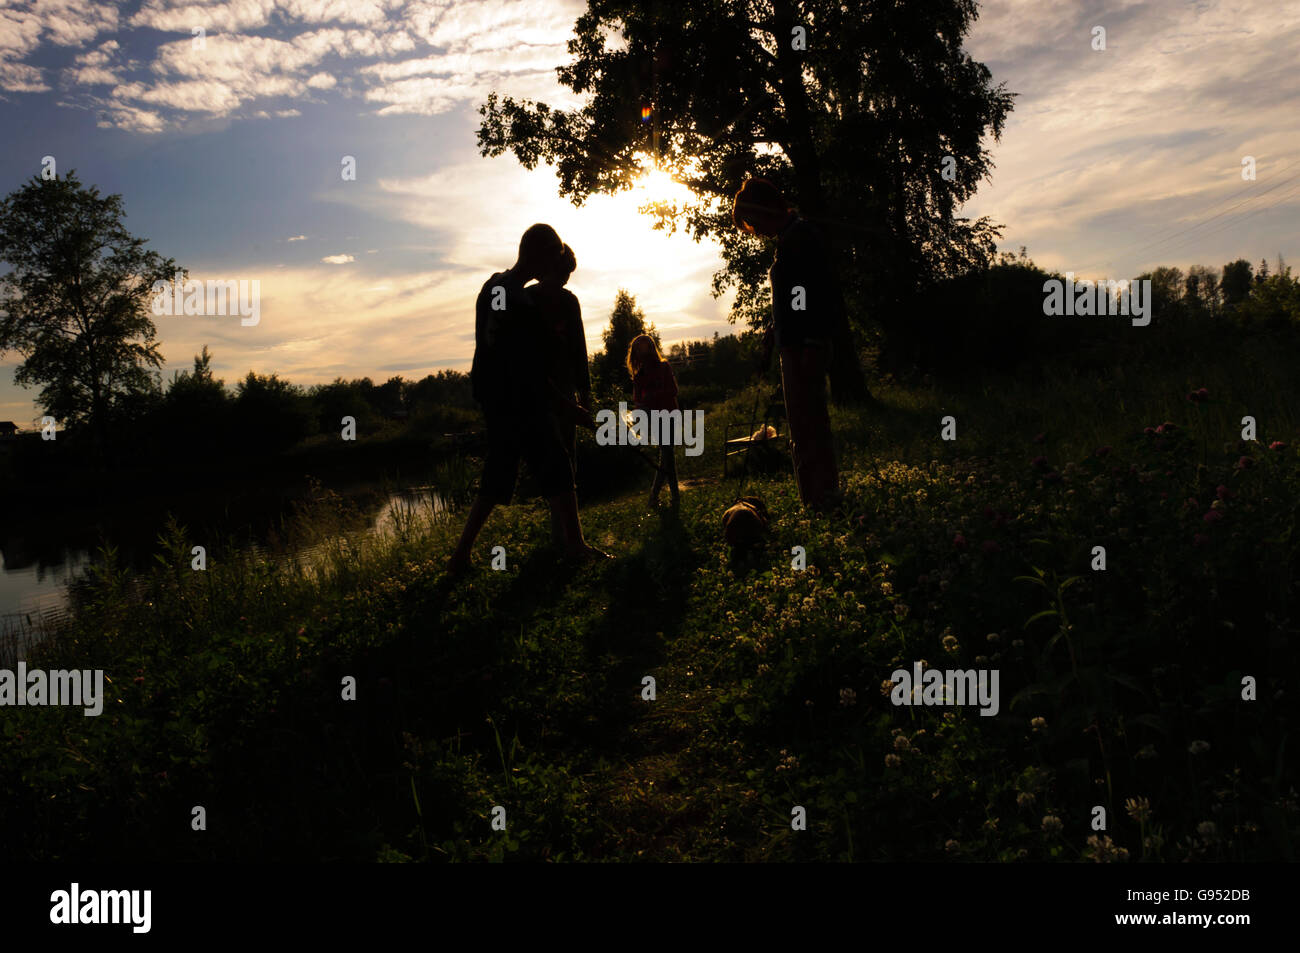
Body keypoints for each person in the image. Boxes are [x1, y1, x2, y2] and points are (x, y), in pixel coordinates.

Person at [447, 224, 607, 575]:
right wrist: (569, 409)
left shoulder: (495, 284)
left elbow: (502, 355)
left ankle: (461, 556)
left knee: (512, 469)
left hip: (499, 396)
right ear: (538, 255)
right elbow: (527, 370)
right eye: (552, 257)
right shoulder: (517, 301)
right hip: (514, 399)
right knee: (544, 463)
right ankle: (574, 545)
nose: (553, 266)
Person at [731, 178, 842, 510]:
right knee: (803, 425)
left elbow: (815, 293)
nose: (755, 231)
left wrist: (809, 341)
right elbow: (795, 299)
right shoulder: (789, 239)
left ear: (766, 209)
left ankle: (822, 501)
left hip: (805, 346)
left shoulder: (801, 238)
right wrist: (774, 325)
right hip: (794, 344)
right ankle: (816, 499)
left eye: (754, 222)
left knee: (809, 426)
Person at [531, 243, 591, 542]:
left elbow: (579, 348)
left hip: (562, 389)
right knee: (557, 460)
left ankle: (564, 532)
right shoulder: (528, 299)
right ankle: (563, 533)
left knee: (566, 458)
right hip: (542, 391)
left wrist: (585, 390)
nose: (566, 279)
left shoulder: (568, 301)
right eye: (563, 272)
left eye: (568, 273)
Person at [626, 333, 680, 509]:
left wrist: (652, 396)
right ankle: (671, 497)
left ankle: (657, 497)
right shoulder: (639, 376)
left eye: (646, 348)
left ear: (651, 349)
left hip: (670, 415)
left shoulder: (664, 367)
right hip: (655, 419)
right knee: (667, 456)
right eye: (640, 349)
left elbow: (673, 390)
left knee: (667, 457)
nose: (643, 352)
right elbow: (638, 400)